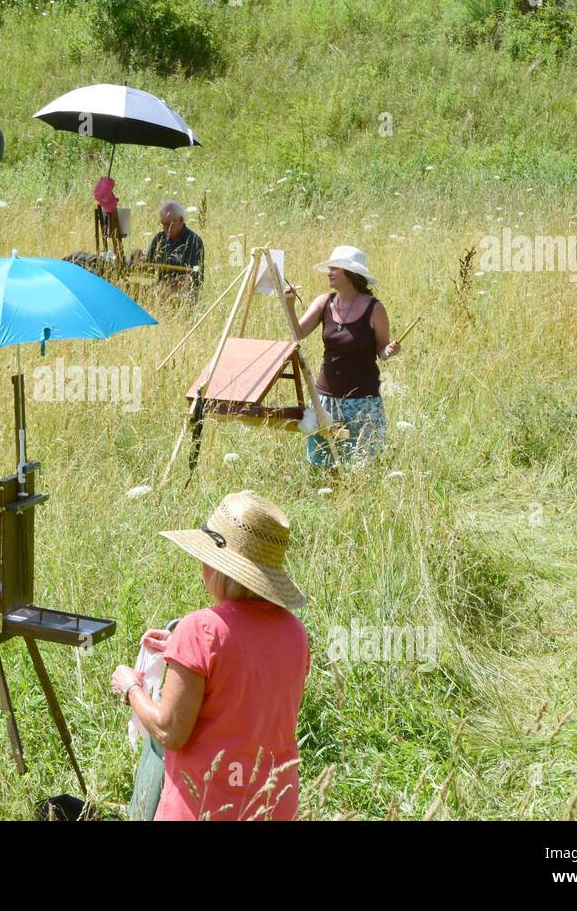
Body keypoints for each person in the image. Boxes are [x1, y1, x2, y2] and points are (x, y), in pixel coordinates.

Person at [110, 491, 311, 821]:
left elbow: (169, 732)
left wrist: (131, 688)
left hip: (203, 807)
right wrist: (182, 650)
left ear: (219, 566)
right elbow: (249, 680)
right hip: (272, 805)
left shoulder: (201, 629)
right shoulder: (295, 632)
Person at [286, 245, 401, 466]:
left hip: (363, 400)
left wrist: (389, 351)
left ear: (350, 274)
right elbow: (297, 333)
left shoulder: (374, 308)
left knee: (362, 461)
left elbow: (382, 349)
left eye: (334, 268)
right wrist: (289, 304)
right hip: (326, 397)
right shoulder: (324, 302)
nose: (329, 272)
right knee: (324, 459)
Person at [133, 199, 204, 296]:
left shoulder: (194, 241)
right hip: (160, 289)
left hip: (183, 293)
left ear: (181, 220)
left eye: (169, 224)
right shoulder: (160, 238)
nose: (166, 228)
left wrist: (179, 282)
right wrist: (138, 257)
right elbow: (148, 266)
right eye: (163, 224)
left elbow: (194, 276)